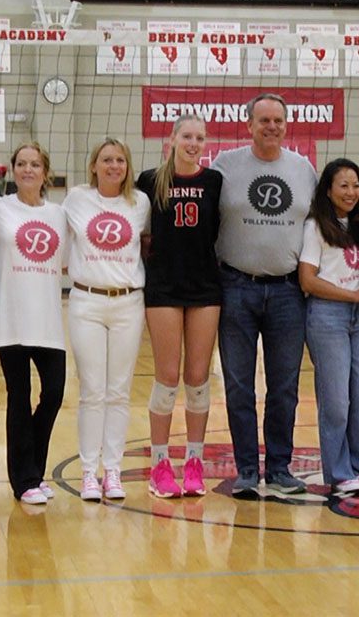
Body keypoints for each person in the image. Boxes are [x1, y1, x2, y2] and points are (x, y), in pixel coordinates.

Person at [212, 92, 318, 496]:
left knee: (285, 386)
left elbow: (318, 227)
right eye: (264, 120)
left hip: (289, 291)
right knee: (239, 385)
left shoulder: (303, 169)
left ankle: (279, 468)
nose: (271, 126)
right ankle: (245, 470)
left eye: (278, 120)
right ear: (249, 124)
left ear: (286, 125)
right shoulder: (225, 165)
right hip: (236, 286)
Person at [136, 115, 223, 498]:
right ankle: (159, 464)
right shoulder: (149, 181)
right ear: (171, 139)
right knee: (167, 376)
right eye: (186, 136)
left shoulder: (214, 182)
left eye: (200, 138)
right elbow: (134, 230)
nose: (193, 143)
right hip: (164, 288)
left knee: (199, 377)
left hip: (205, 288)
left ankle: (193, 461)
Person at [64, 138, 151, 502]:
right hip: (86, 300)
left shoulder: (140, 203)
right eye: (106, 160)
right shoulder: (77, 198)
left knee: (119, 391)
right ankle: (88, 472)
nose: (114, 165)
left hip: (128, 302)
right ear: (94, 166)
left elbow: (148, 244)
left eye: (120, 159)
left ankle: (112, 471)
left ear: (128, 166)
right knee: (92, 391)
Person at [0, 143, 69, 505]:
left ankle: (33, 469)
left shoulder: (59, 214)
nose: (27, 170)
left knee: (53, 394)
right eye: (21, 164)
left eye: (35, 164)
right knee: (17, 399)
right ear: (13, 170)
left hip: (49, 319)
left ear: (45, 172)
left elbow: (66, 262)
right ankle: (24, 481)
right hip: (11, 318)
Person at [299, 158, 359, 493]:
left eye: (356, 185)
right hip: (327, 315)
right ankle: (340, 472)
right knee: (336, 400)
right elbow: (307, 280)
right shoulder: (315, 226)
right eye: (343, 185)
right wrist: (353, 294)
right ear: (328, 190)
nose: (351, 192)